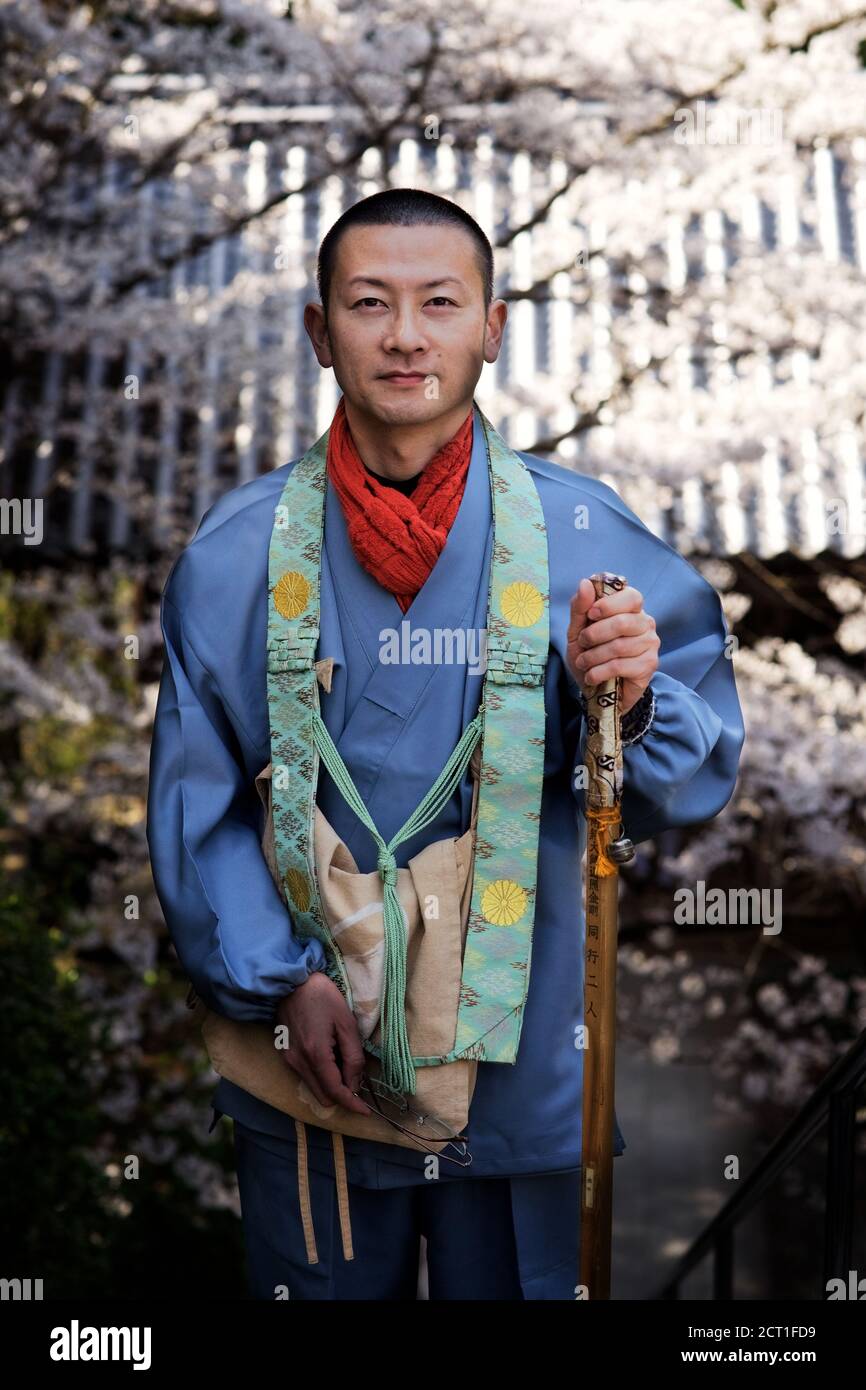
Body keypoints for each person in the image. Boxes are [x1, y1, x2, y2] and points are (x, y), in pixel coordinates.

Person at [146, 187, 745, 1301]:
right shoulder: (235, 554)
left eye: (438, 302)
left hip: (524, 1067)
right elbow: (199, 798)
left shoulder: (586, 535)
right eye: (369, 304)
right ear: (320, 332)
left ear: (493, 327)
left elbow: (692, 773)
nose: (405, 335)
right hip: (315, 1052)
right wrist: (278, 984)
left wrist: (631, 694)